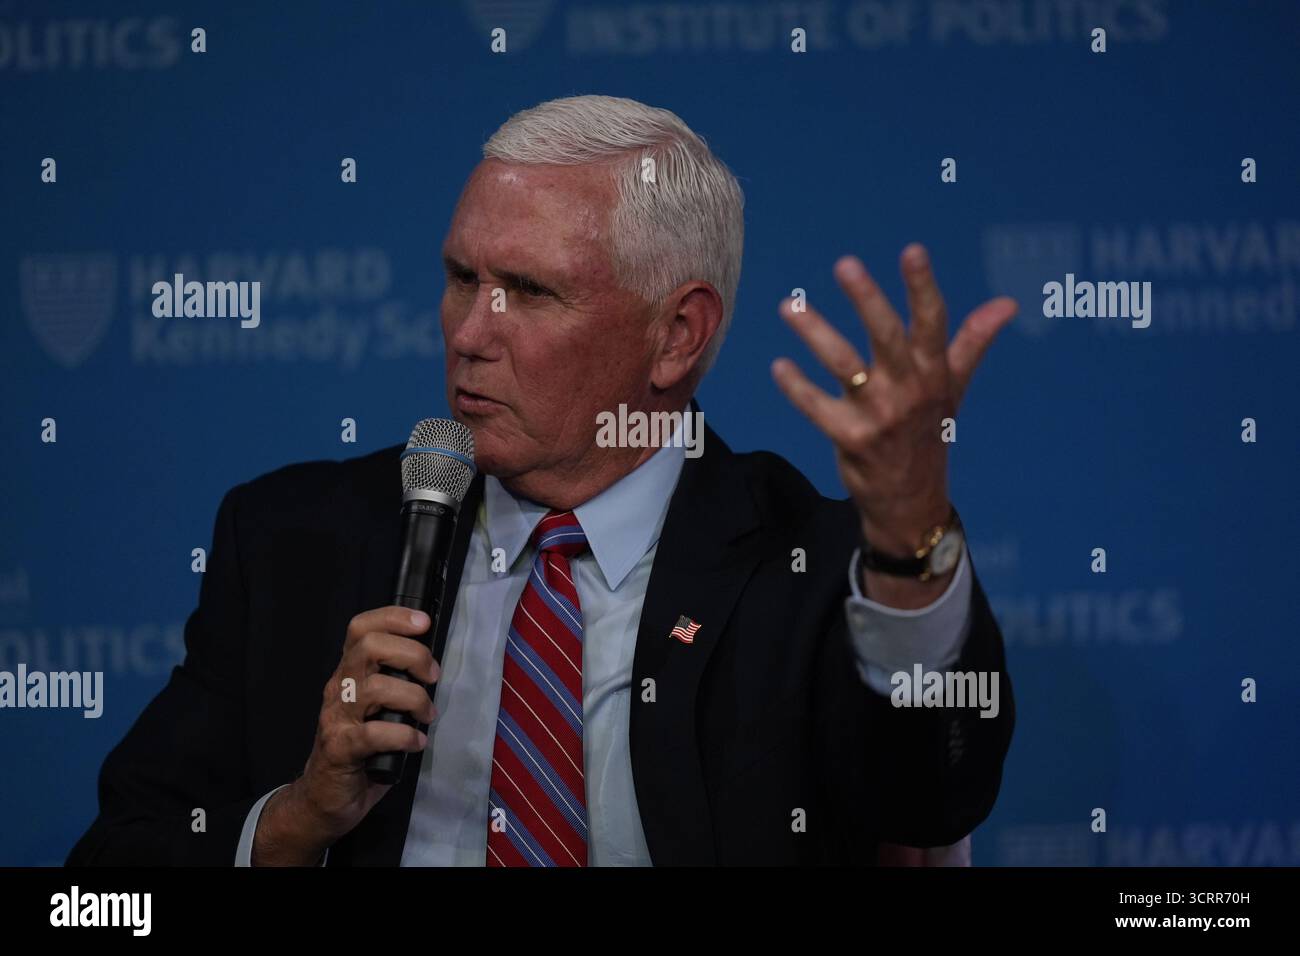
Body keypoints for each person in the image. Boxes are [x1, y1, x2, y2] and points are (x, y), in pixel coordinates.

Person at [68, 94, 1017, 867]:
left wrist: (909, 543)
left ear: (676, 335)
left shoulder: (809, 569)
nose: (468, 333)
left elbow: (932, 794)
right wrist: (297, 818)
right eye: (459, 278)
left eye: (529, 291)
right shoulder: (292, 542)